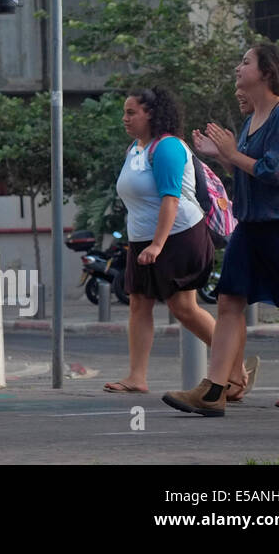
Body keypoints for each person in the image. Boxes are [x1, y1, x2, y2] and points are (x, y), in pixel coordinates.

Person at [164, 43, 279, 417]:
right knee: (229, 303)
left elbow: (276, 173)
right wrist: (224, 157)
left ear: (267, 72)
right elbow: (250, 175)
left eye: (245, 62)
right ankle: (213, 390)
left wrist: (231, 154)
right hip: (252, 228)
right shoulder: (249, 122)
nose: (238, 68)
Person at [103, 87, 221, 394]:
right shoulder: (136, 148)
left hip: (178, 235)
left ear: (150, 114)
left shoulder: (167, 147)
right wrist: (144, 243)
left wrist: (157, 245)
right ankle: (136, 377)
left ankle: (233, 367)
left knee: (183, 307)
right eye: (125, 112)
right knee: (138, 304)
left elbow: (170, 199)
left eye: (131, 112)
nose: (125, 118)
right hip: (142, 239)